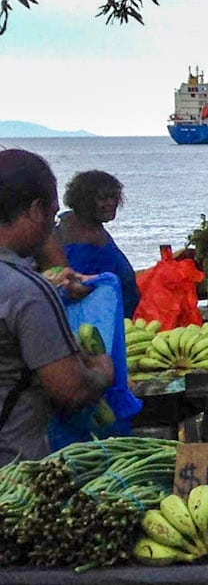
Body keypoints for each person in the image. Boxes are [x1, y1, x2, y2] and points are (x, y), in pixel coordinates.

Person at [0, 151, 114, 466]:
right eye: (52, 213)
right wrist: (103, 371)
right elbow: (71, 390)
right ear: (36, 209)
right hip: (12, 474)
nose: (53, 223)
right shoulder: (26, 292)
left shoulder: (30, 288)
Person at [54, 170, 140, 316]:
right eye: (102, 198)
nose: (111, 203)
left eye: (113, 197)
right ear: (85, 201)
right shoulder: (80, 238)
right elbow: (79, 292)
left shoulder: (91, 227)